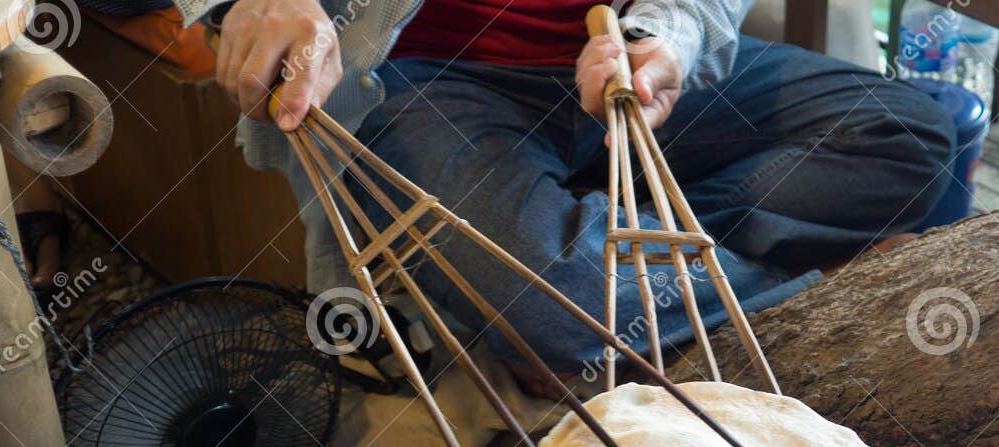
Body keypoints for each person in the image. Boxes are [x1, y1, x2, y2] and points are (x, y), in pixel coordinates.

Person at [185, 0, 956, 388]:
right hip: (433, 77)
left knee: (904, 136)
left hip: (609, 56)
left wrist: (668, 35)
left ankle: (585, 262)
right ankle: (574, 284)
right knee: (559, 301)